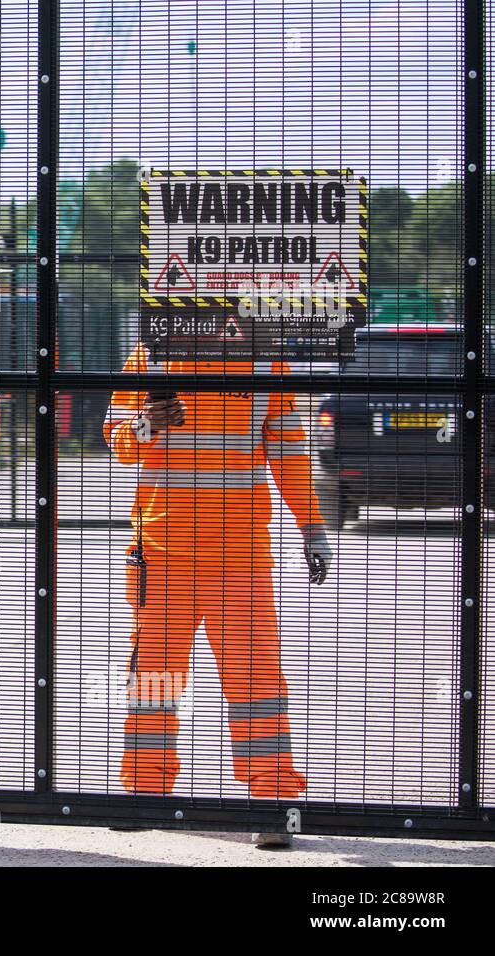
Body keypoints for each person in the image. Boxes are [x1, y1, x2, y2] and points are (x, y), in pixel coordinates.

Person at [104, 342, 333, 848]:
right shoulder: (150, 358)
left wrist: (312, 526)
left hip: (236, 557)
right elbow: (116, 443)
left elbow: (289, 449)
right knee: (154, 680)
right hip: (166, 555)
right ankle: (145, 790)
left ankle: (271, 798)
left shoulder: (264, 360)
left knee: (254, 680)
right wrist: (147, 423)